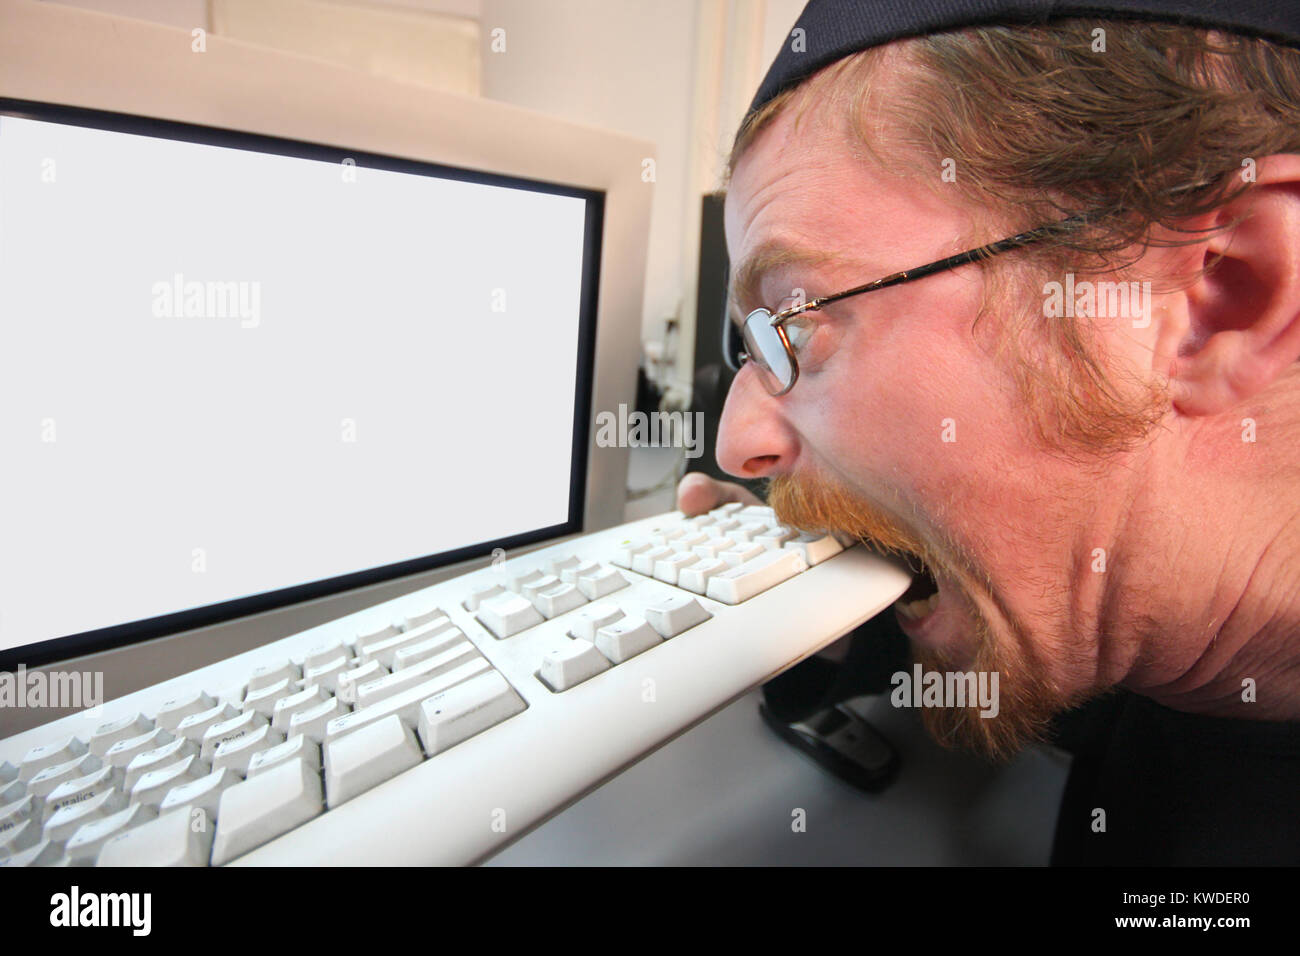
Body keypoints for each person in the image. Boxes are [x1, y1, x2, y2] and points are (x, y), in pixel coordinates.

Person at [677, 0, 1300, 865]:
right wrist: (858, 631)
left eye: (796, 323)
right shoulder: (1182, 676)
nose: (735, 440)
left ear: (1222, 292)